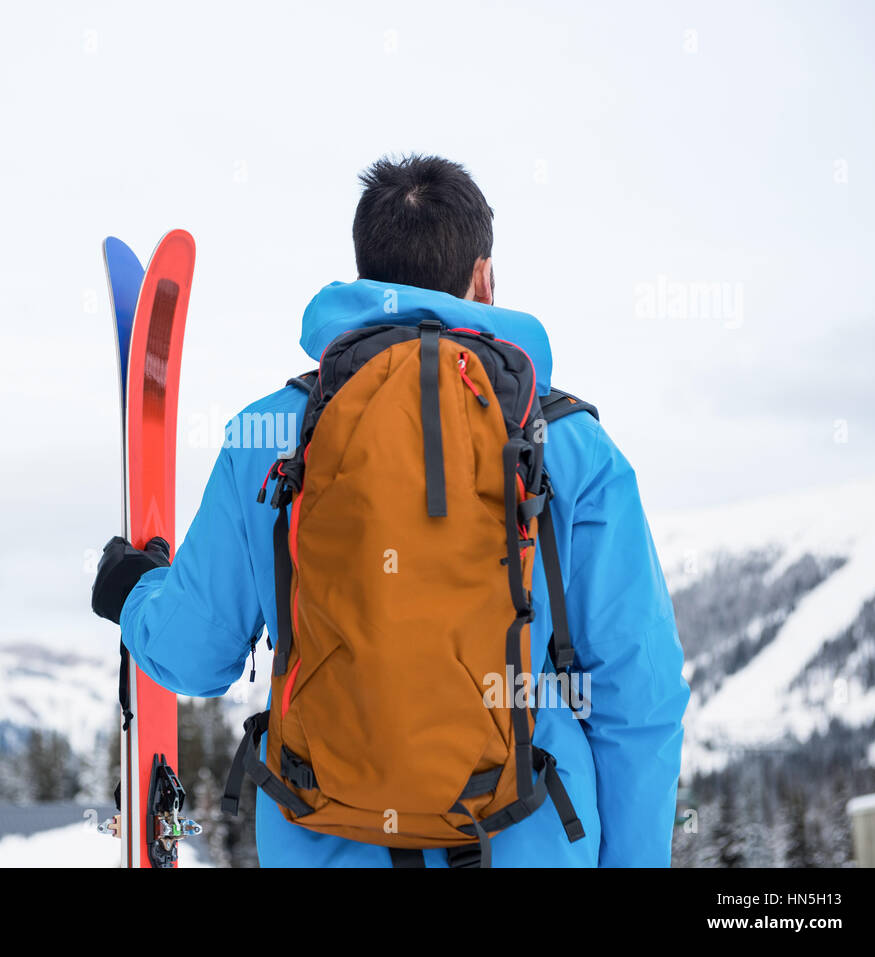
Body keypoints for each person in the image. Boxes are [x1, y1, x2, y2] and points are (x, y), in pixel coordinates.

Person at [92, 154, 690, 867]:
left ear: (362, 277)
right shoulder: (573, 446)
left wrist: (135, 590)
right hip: (530, 838)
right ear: (484, 277)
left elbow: (196, 652)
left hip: (325, 840)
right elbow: (638, 698)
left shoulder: (272, 433)